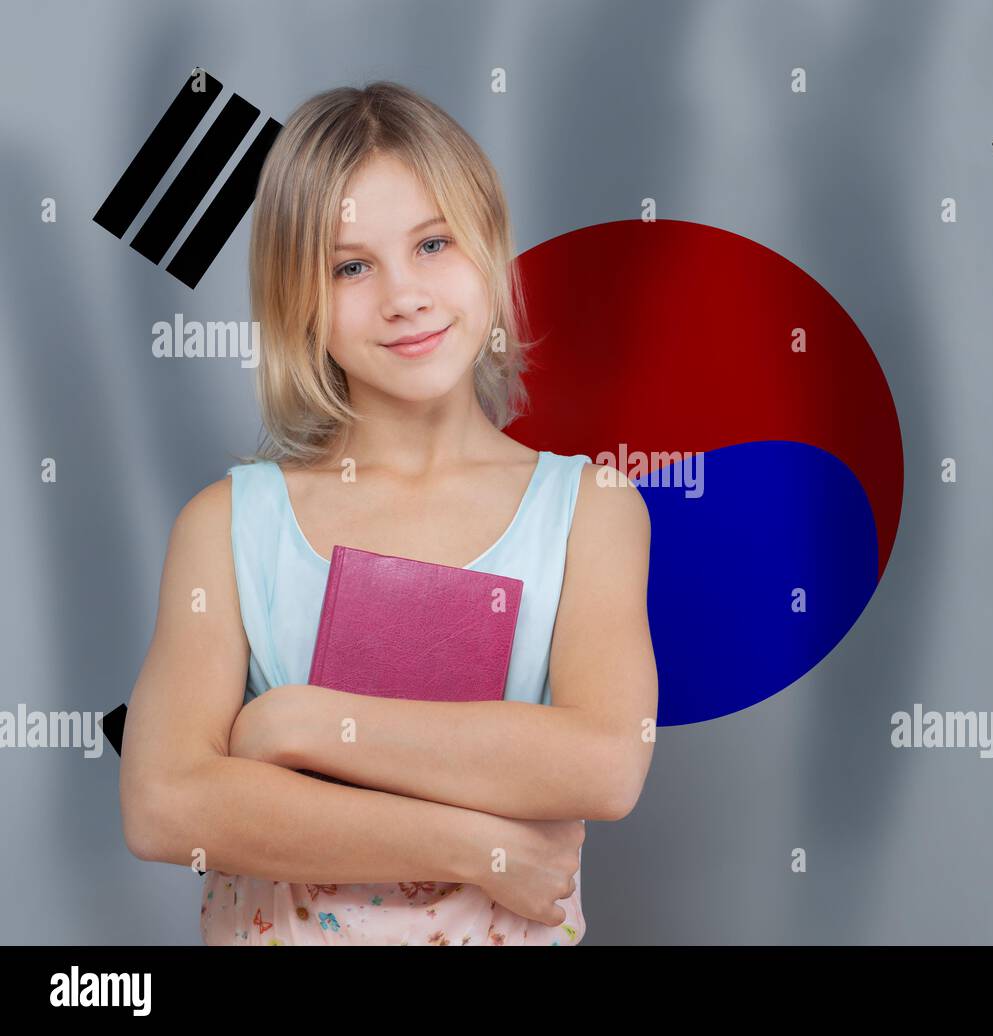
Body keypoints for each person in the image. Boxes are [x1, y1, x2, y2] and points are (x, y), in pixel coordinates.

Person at [118, 81, 657, 946]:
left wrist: (297, 724)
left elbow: (604, 761)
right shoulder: (227, 526)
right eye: (351, 266)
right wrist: (476, 847)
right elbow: (162, 803)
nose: (403, 296)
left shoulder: (589, 509)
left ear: (489, 245)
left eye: (433, 243)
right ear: (298, 296)